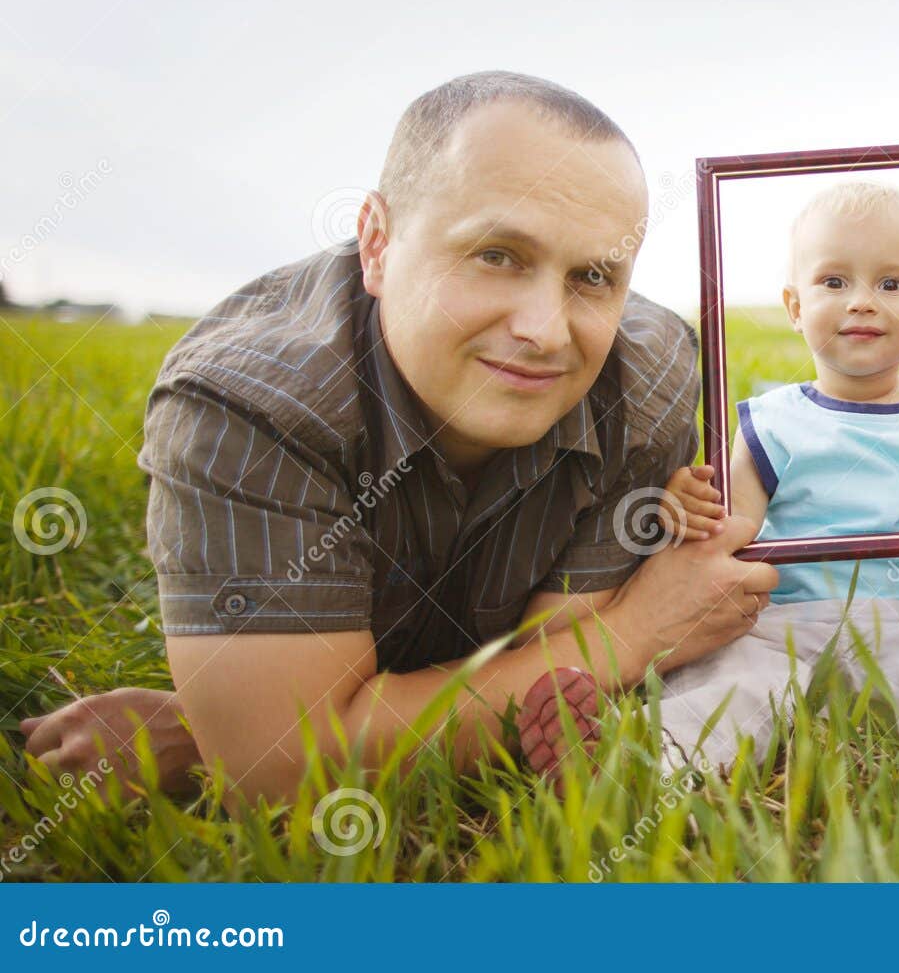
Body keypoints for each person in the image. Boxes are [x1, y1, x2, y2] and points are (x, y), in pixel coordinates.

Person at [21, 71, 778, 802]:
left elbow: (557, 692)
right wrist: (639, 631)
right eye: (496, 256)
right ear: (377, 243)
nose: (546, 331)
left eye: (592, 277)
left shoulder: (647, 376)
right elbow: (287, 774)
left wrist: (248, 724)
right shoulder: (247, 405)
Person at [655, 181, 899, 783]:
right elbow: (732, 524)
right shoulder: (771, 420)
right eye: (834, 282)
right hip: (784, 617)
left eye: (890, 284)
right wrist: (692, 507)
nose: (862, 302)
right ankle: (667, 767)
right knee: (733, 679)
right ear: (794, 307)